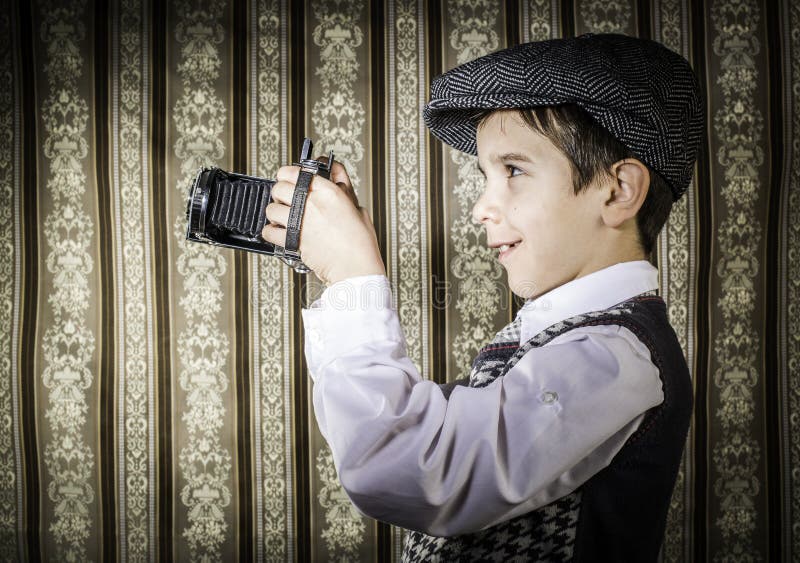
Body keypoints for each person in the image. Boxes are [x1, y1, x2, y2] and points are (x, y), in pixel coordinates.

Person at [262, 33, 702, 562]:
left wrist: (355, 276)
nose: (480, 209)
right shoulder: (553, 336)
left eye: (513, 171)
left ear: (617, 191)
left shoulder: (615, 356)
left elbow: (419, 469)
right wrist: (337, 273)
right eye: (485, 176)